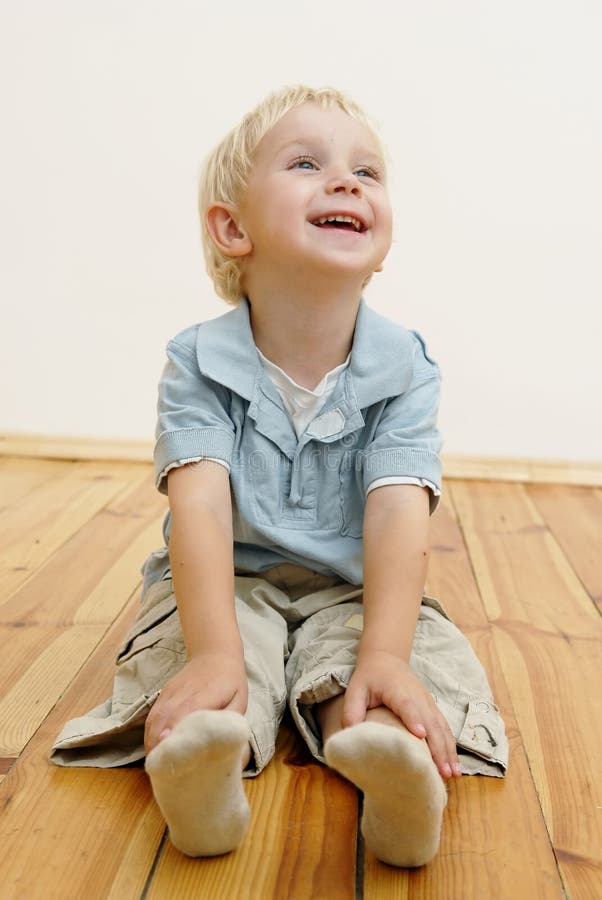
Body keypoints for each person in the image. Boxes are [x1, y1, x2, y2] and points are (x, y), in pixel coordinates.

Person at [51, 85, 508, 867]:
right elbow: (199, 510)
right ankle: (207, 764)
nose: (347, 182)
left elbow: (400, 513)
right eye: (308, 163)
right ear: (233, 228)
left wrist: (388, 655)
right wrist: (215, 653)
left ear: (382, 235)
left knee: (396, 655)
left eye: (367, 171)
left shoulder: (406, 367)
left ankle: (384, 757)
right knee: (208, 661)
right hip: (227, 581)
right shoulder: (198, 360)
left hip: (355, 588)